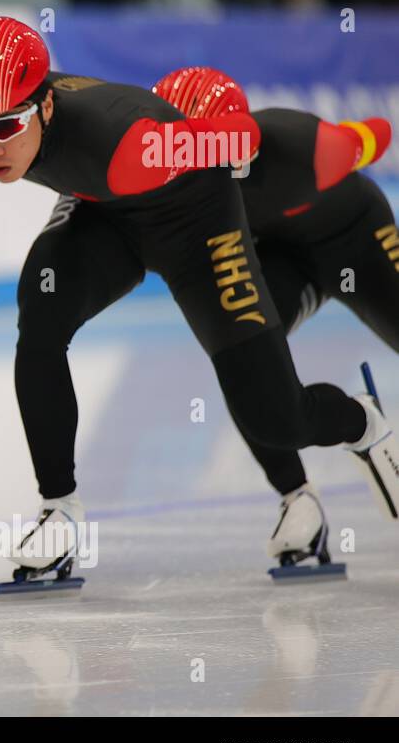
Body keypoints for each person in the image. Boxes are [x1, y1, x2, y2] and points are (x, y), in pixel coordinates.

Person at [0, 16, 398, 583]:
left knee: (274, 415)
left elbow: (302, 141)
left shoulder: (140, 145)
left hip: (196, 227)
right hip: (108, 214)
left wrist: (249, 138)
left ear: (45, 107)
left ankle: (361, 424)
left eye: (4, 127)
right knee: (41, 315)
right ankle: (59, 511)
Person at [153, 66, 395, 565]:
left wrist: (361, 141)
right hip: (281, 258)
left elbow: (380, 132)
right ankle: (297, 499)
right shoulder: (158, 178)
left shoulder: (304, 145)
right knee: (243, 358)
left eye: (222, 159)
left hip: (356, 239)